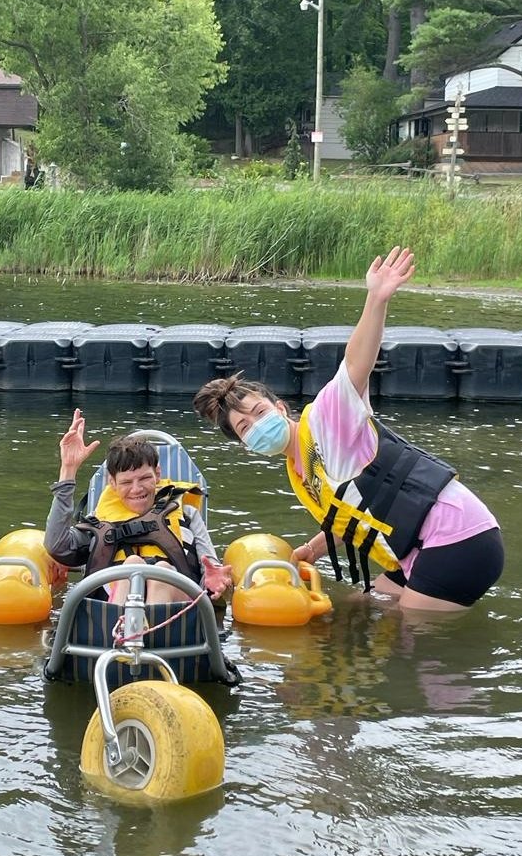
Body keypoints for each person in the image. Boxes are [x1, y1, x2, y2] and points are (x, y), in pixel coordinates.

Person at [193, 246, 504, 613]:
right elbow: (352, 517)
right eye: (246, 427)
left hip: (457, 538)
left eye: (260, 412)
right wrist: (312, 549)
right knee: (359, 610)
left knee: (410, 641)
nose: (258, 425)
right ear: (245, 445)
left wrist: (376, 299)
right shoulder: (299, 470)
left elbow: (356, 363)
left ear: (280, 407)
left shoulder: (326, 421)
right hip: (416, 550)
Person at [44, 409, 232, 605]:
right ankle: (127, 630)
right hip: (113, 606)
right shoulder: (98, 521)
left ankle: (136, 632)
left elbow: (211, 571)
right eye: (126, 482)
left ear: (157, 475)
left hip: (175, 608)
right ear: (112, 483)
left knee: (161, 571)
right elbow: (57, 546)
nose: (136, 489)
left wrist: (214, 581)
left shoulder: (187, 514)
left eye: (144, 478)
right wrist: (68, 469)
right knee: (132, 564)